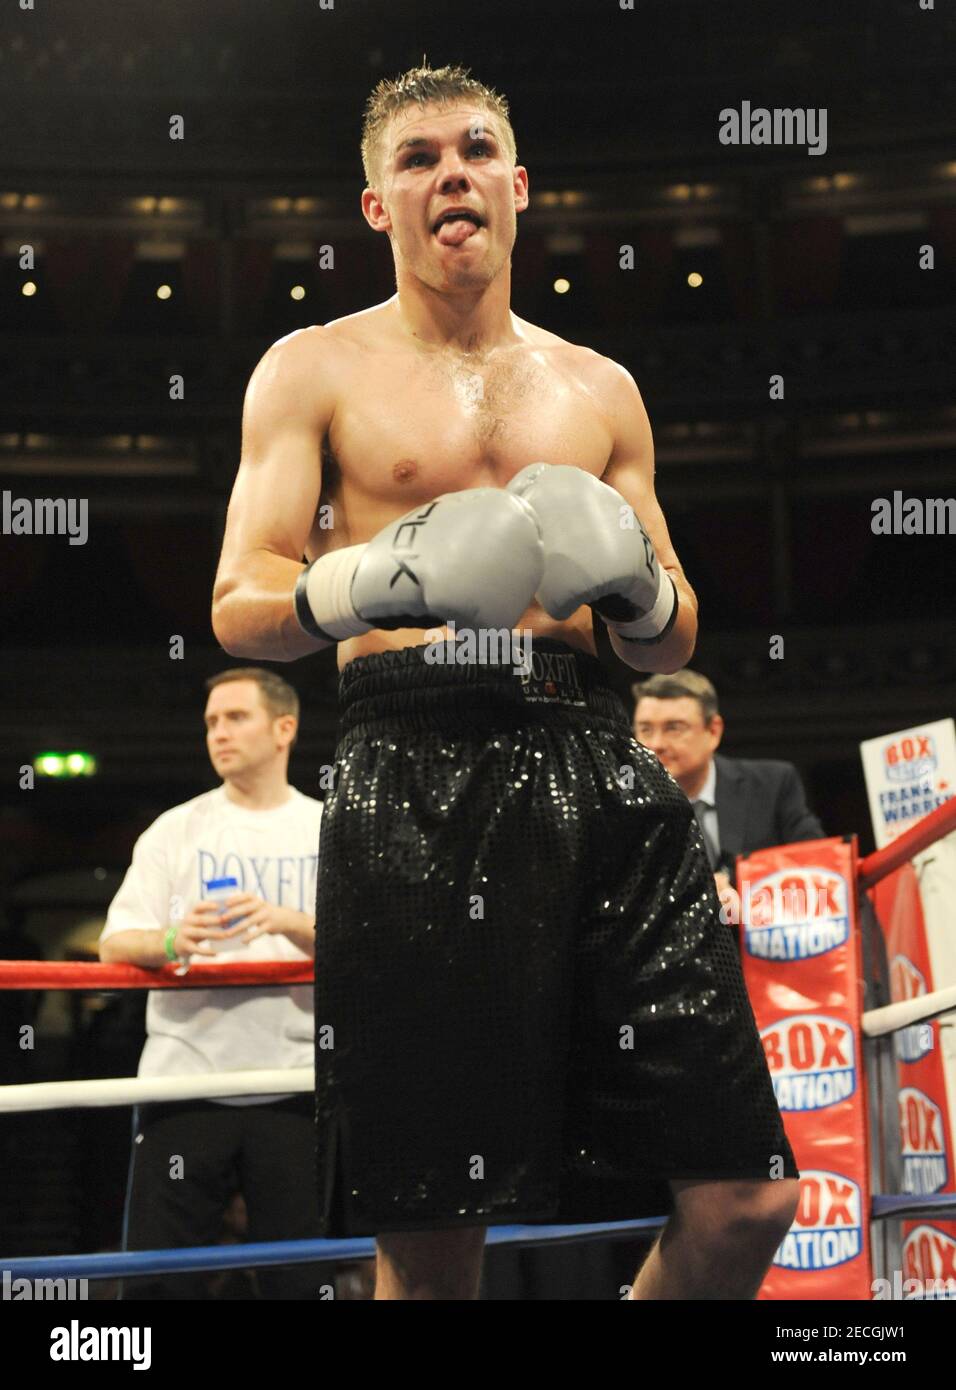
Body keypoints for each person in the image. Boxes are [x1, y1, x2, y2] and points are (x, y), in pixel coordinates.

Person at [211, 62, 799, 1301]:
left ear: (519, 188)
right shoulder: (308, 369)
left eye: (473, 151)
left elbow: (673, 634)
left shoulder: (599, 388)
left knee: (748, 1195)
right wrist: (369, 581)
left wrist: (633, 588)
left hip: (591, 754)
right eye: (416, 160)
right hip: (408, 764)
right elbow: (238, 605)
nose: (450, 175)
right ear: (378, 206)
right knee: (433, 1239)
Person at [98, 668, 328, 1299]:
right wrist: (172, 939)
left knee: (303, 1279)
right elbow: (115, 942)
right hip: (187, 1080)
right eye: (210, 722)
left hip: (294, 1081)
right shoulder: (176, 830)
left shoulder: (326, 829)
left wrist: (289, 922)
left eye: (235, 718)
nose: (218, 733)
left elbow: (371, 949)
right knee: (156, 1279)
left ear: (285, 729)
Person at [632, 669, 825, 896]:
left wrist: (744, 896)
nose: (656, 744)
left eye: (673, 728)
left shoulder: (773, 784)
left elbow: (818, 867)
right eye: (645, 729)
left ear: (713, 731)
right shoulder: (620, 801)